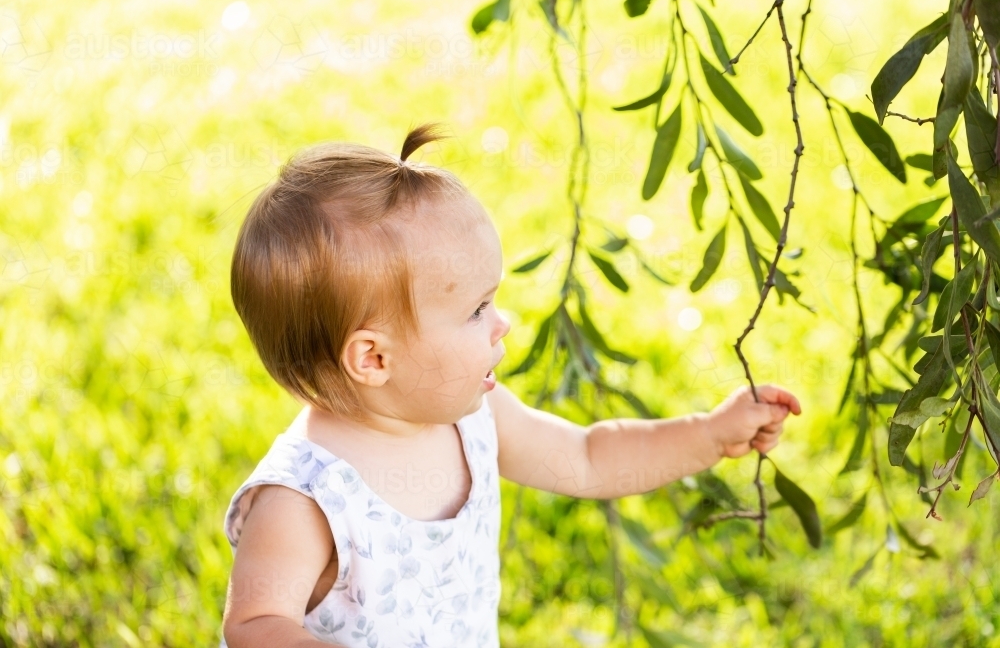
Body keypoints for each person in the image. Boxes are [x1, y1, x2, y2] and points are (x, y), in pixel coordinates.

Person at [218, 123, 802, 648]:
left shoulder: (474, 416)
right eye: (476, 310)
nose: (503, 322)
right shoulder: (305, 498)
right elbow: (254, 625)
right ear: (373, 358)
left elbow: (589, 458)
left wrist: (708, 434)